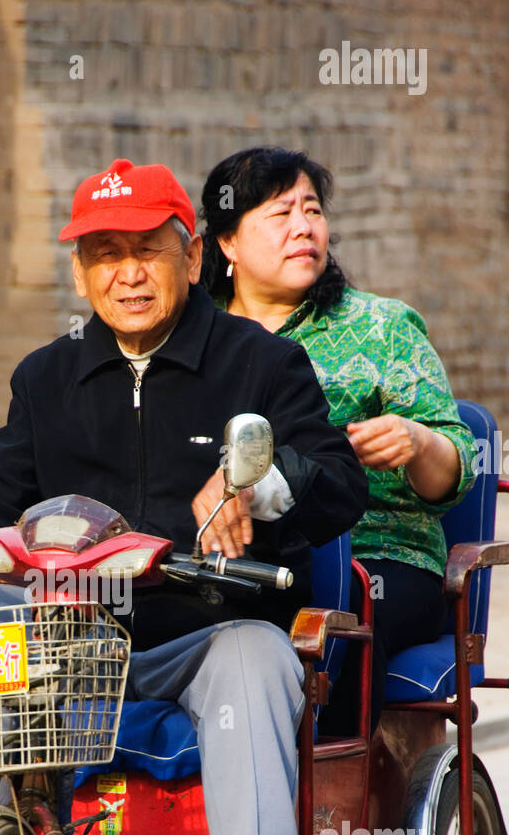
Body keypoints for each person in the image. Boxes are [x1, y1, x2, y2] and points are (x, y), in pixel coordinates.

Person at [0, 157, 368, 835]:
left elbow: (338, 484)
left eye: (147, 248)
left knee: (256, 656)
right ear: (79, 270)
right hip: (68, 636)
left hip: (200, 637)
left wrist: (260, 487)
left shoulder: (259, 363)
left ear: (193, 257)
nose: (128, 274)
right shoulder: (47, 376)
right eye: (104, 253)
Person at [200, 146, 476, 735]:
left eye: (313, 210)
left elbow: (457, 469)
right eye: (280, 214)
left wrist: (419, 442)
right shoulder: (196, 336)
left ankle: (324, 801)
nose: (304, 227)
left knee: (340, 618)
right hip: (234, 555)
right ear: (227, 244)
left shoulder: (382, 329)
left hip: (379, 559)